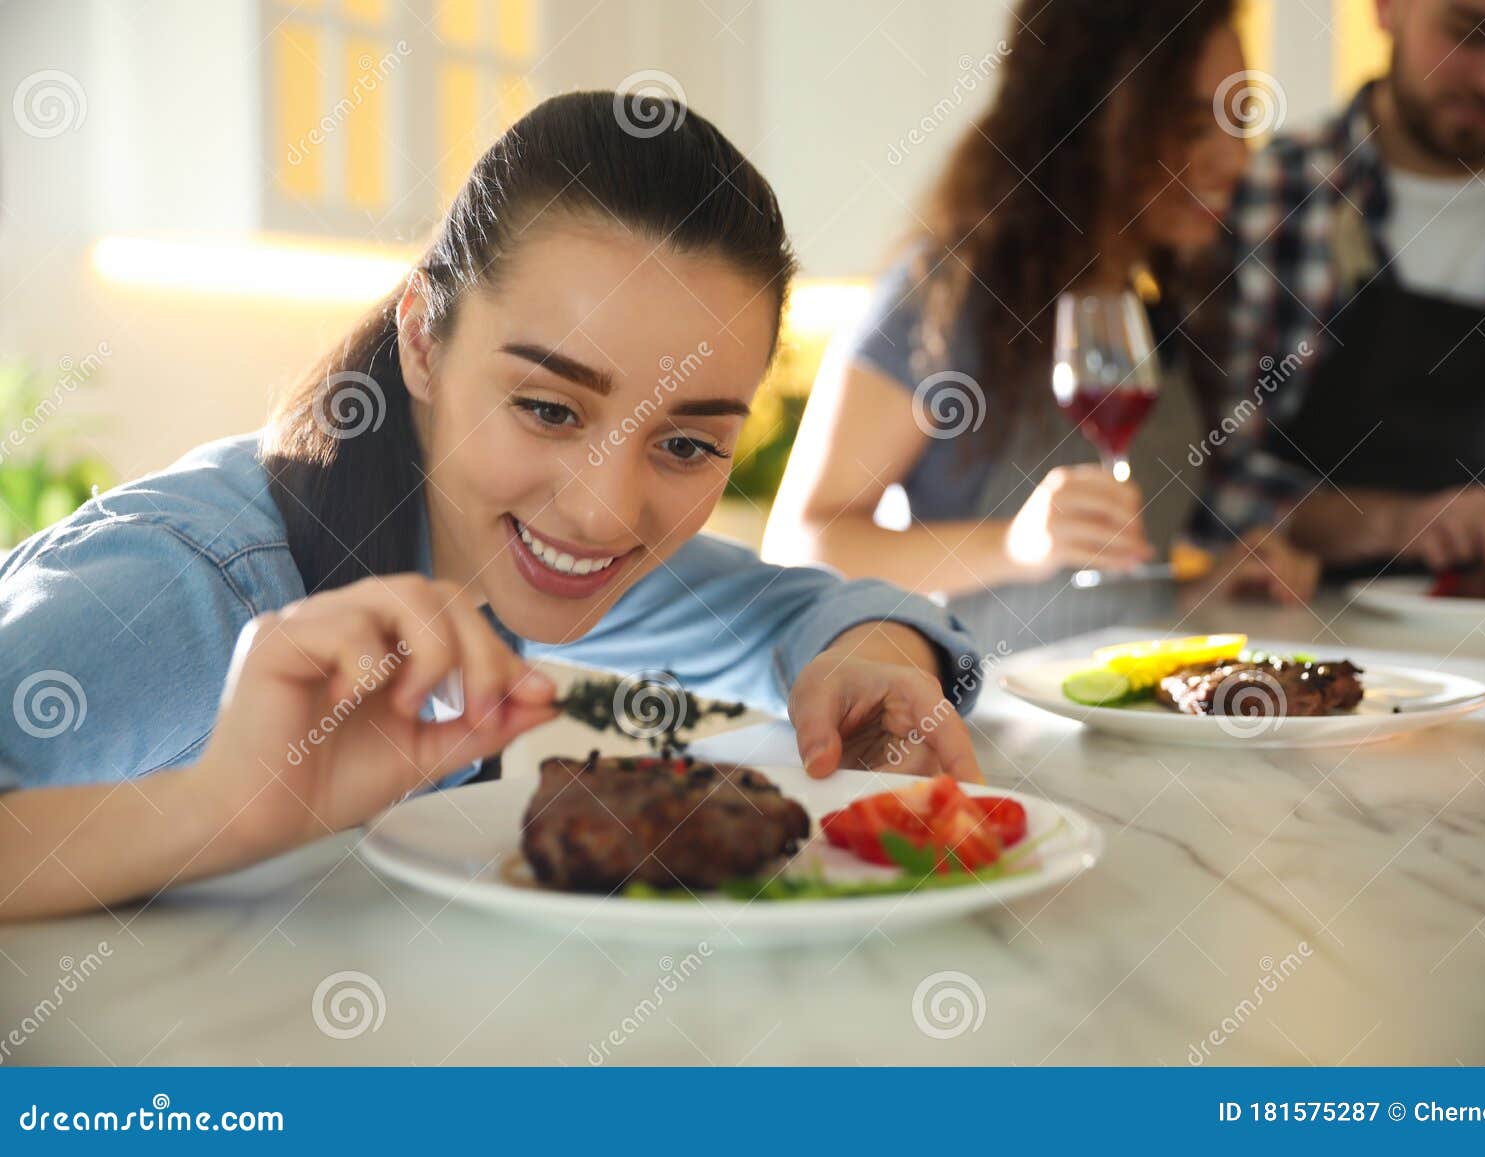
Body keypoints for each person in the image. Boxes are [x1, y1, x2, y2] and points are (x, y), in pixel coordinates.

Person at [0, 92, 984, 921]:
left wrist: (877, 661)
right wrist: (214, 809)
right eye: (549, 408)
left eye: (686, 443)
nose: (604, 512)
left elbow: (809, 613)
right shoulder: (190, 589)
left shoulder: (511, 548)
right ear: (425, 337)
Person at [762, 0, 1320, 655]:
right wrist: (1017, 545)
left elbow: (1107, 593)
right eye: (1193, 126)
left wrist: (1212, 585)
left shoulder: (1163, 305)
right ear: (1092, 117)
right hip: (982, 737)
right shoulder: (948, 295)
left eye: (1240, 122)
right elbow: (803, 543)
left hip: (1126, 725)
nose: (1237, 161)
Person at [1205, 0, 1485, 577]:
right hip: (1315, 637)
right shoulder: (1273, 194)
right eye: (1469, 34)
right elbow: (1219, 484)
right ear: (1387, 9)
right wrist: (1394, 522)